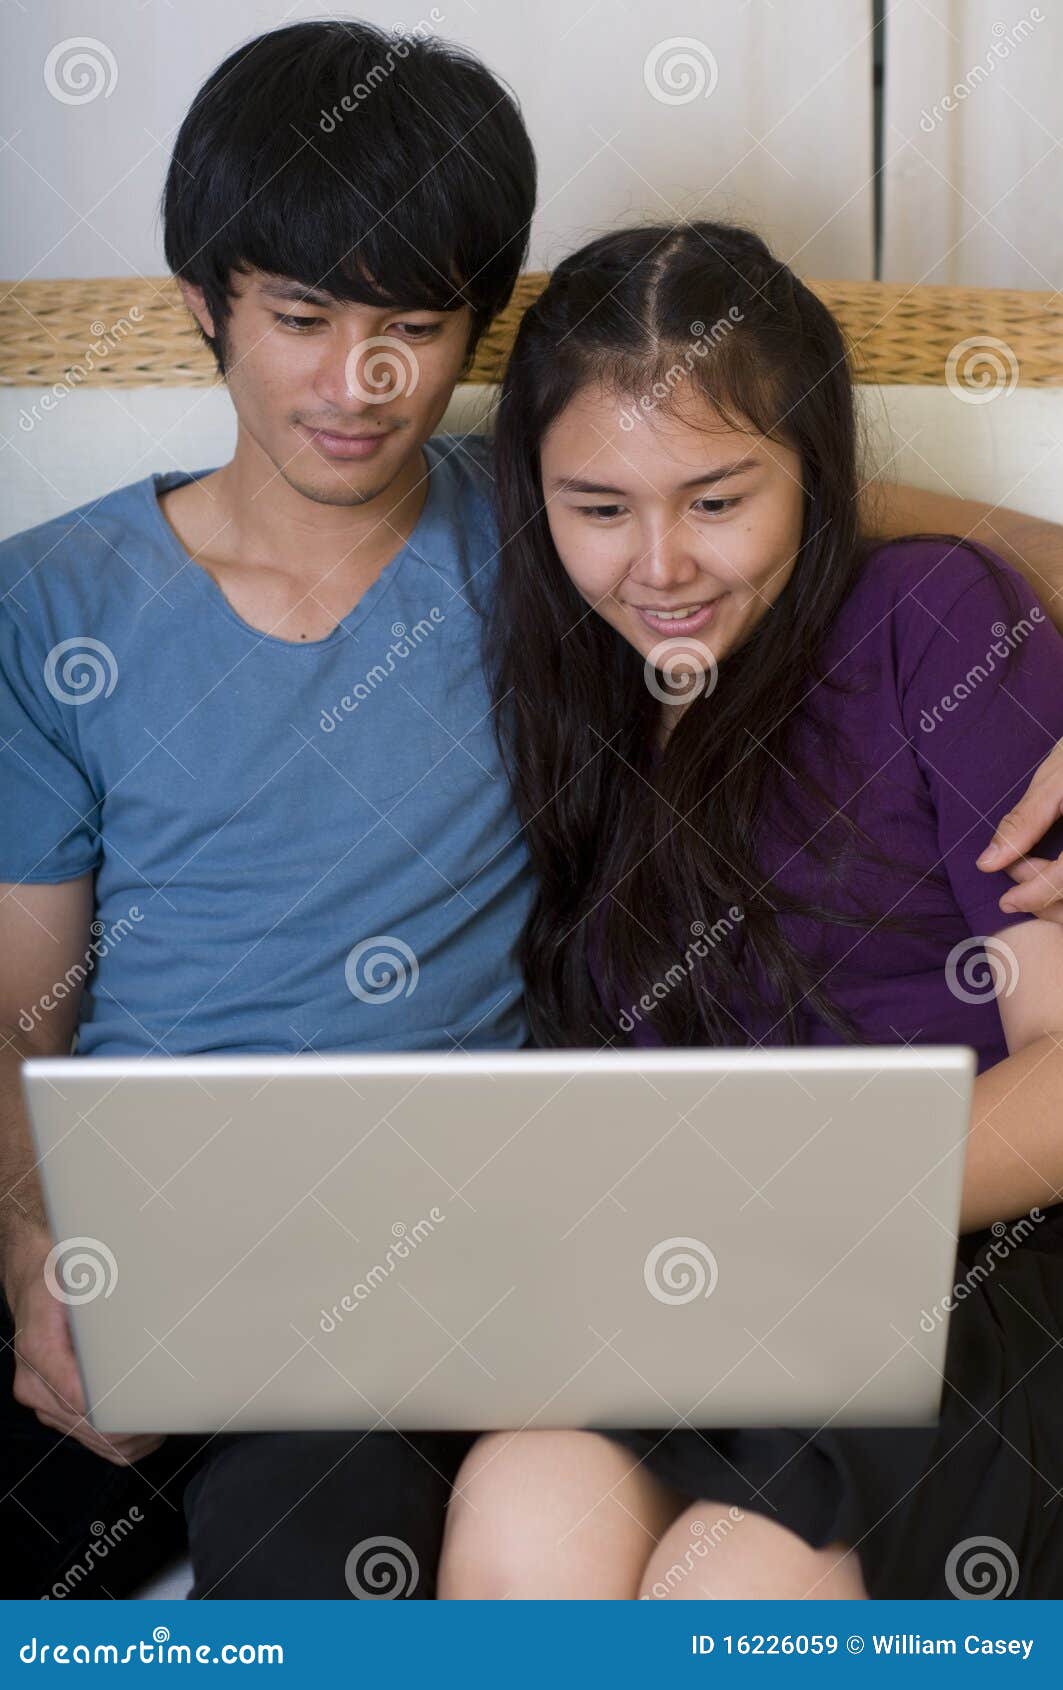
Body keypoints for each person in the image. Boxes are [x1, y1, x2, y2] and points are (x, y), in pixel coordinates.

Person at [1, 21, 1062, 1600]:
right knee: (484, 1504)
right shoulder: (80, 606)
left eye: (411, 326)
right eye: (299, 316)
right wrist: (36, 1242)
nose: (358, 381)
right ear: (203, 304)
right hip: (298, 1265)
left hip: (678, 1276)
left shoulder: (695, 573)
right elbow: (22, 1009)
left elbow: (783, 493)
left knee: (526, 1551)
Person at [435, 220, 1063, 1600]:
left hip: (962, 1275)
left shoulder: (934, 621)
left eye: (719, 501)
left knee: (730, 1573)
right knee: (523, 1500)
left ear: (816, 474)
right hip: (693, 1288)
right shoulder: (571, 693)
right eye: (601, 510)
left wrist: (783, 1205)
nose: (661, 566)